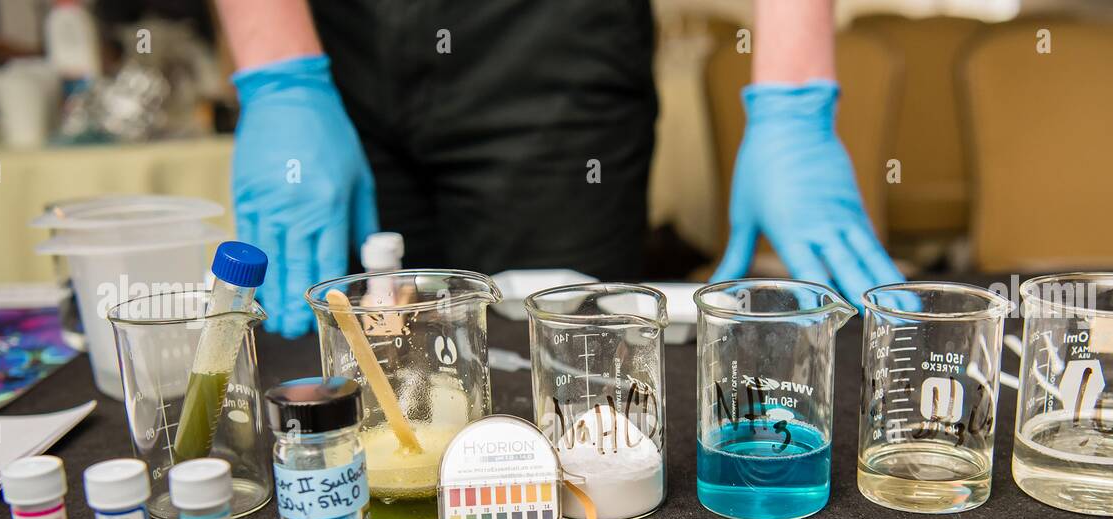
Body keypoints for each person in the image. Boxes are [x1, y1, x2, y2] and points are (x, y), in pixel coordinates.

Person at [214, 0, 901, 337]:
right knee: (366, 364)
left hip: (554, 42)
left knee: (568, 385)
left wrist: (792, 99)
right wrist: (278, 70)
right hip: (330, 40)